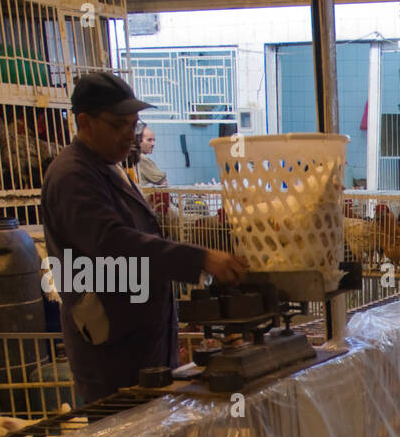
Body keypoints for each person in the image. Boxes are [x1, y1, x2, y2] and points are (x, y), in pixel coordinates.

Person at [41, 71, 247, 403]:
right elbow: (113, 244)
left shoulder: (108, 166)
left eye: (134, 125)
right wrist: (200, 258)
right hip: (112, 350)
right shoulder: (72, 176)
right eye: (118, 125)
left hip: (141, 339)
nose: (130, 136)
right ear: (85, 122)